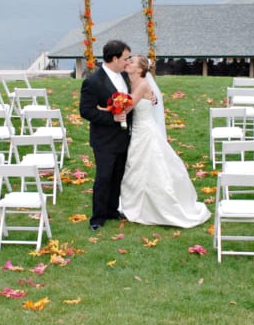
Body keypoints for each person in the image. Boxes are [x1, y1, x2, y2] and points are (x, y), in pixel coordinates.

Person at [119, 55, 210, 228]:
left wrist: (105, 107)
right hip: (138, 130)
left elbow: (128, 107)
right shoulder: (129, 81)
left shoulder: (143, 84)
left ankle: (153, 207)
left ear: (139, 69)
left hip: (145, 132)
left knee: (148, 167)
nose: (128, 63)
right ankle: (136, 203)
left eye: (132, 62)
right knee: (136, 166)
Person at [79, 40, 133, 231]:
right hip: (104, 139)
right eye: (126, 58)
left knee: (118, 175)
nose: (128, 62)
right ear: (114, 58)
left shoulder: (125, 77)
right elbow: (85, 111)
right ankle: (98, 217)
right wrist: (112, 117)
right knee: (104, 177)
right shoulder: (93, 82)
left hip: (124, 136)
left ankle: (112, 209)